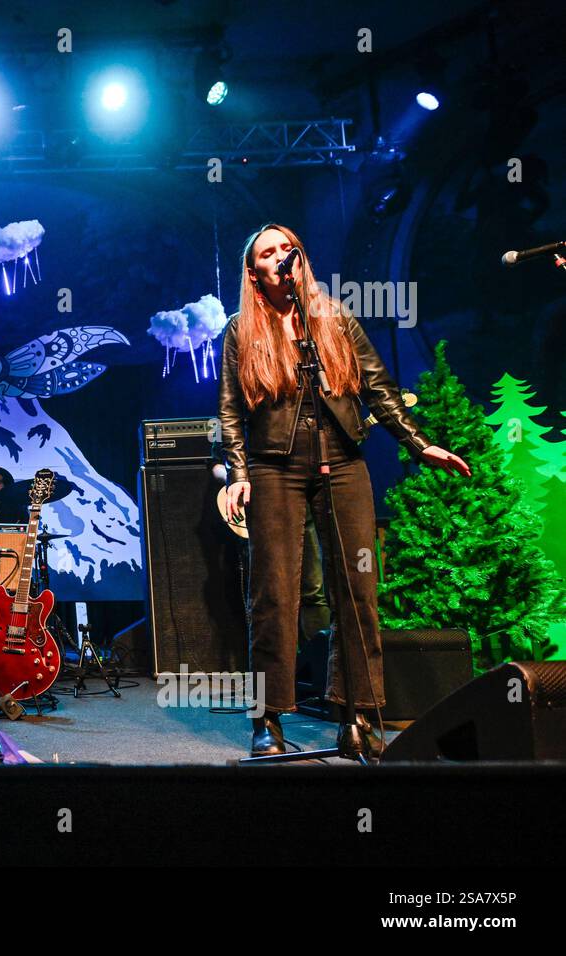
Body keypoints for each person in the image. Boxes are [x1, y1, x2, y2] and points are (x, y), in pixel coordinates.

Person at [218, 225, 470, 757]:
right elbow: (231, 411)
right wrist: (238, 474)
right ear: (255, 272)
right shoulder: (243, 330)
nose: (282, 256)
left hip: (342, 461)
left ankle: (358, 714)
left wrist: (418, 443)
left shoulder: (335, 320)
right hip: (274, 467)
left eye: (288, 248)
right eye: (269, 253)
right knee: (274, 597)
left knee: (357, 591)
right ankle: (267, 719)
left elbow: (378, 388)